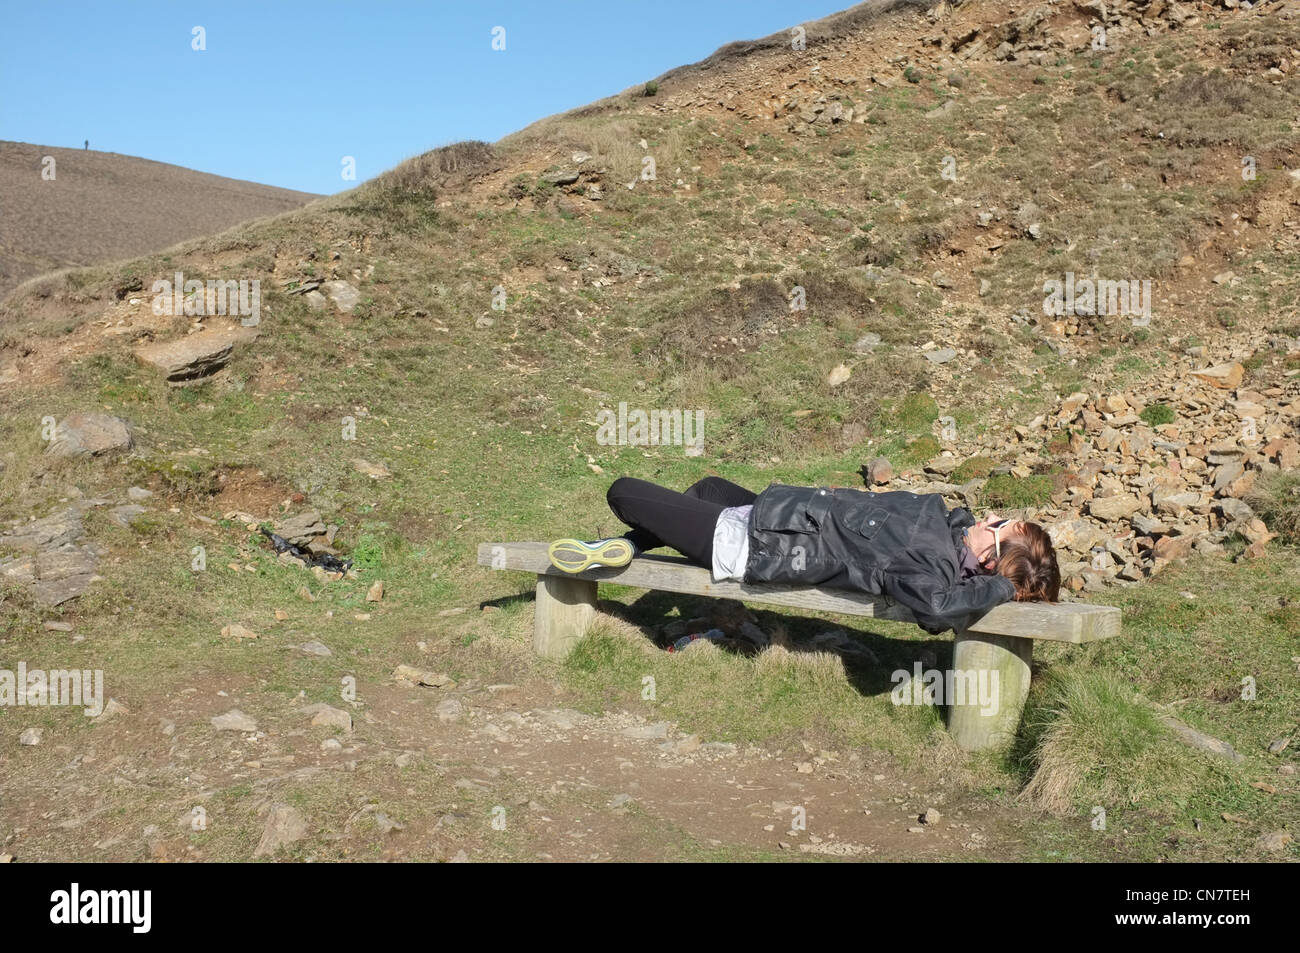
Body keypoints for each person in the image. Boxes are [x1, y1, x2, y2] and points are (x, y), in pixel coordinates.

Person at [546, 476, 1060, 635]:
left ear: (990, 558)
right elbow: (951, 530)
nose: (986, 518)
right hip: (776, 518)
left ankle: (625, 542)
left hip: (751, 544)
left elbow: (936, 608)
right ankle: (632, 545)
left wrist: (1004, 587)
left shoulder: (928, 564)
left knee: (624, 493)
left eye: (996, 526)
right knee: (705, 487)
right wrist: (991, 560)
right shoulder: (945, 538)